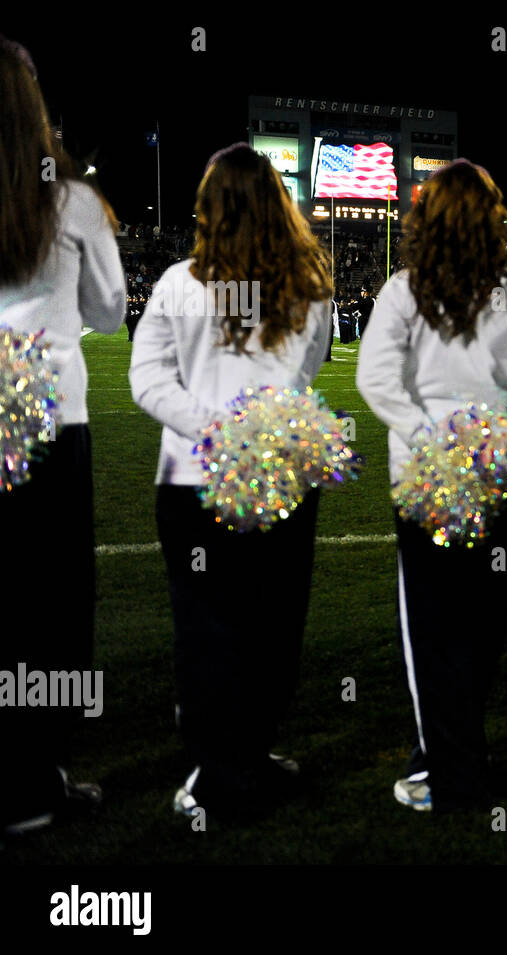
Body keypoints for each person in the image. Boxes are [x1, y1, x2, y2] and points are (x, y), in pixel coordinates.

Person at [129, 143, 333, 820]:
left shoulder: (179, 283)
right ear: (279, 203)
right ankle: (237, 760)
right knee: (271, 622)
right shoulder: (309, 284)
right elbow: (308, 373)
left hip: (194, 479)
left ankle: (226, 765)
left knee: (212, 625)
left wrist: (211, 426)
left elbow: (148, 379)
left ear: (208, 207)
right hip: (281, 475)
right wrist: (248, 429)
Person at [356, 159, 507, 813]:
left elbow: (377, 382)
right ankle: (449, 760)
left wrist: (434, 439)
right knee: (471, 627)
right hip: (481, 480)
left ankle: (444, 762)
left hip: (446, 480)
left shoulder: (410, 291)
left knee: (447, 629)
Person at [0, 35, 125, 836]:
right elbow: (112, 310)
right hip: (49, 414)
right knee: (48, 606)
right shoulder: (70, 200)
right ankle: (34, 777)